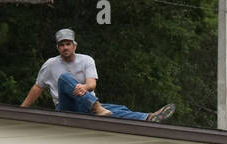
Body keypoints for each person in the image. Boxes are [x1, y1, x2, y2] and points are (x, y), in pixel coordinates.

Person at [18, 28, 176, 123]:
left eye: (68, 44)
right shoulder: (51, 64)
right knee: (65, 79)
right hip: (67, 108)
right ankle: (98, 107)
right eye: (62, 45)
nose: (65, 47)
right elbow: (37, 87)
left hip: (86, 105)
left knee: (119, 109)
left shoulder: (86, 60)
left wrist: (84, 87)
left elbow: (92, 84)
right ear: (58, 47)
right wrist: (22, 111)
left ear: (74, 45)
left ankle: (148, 117)